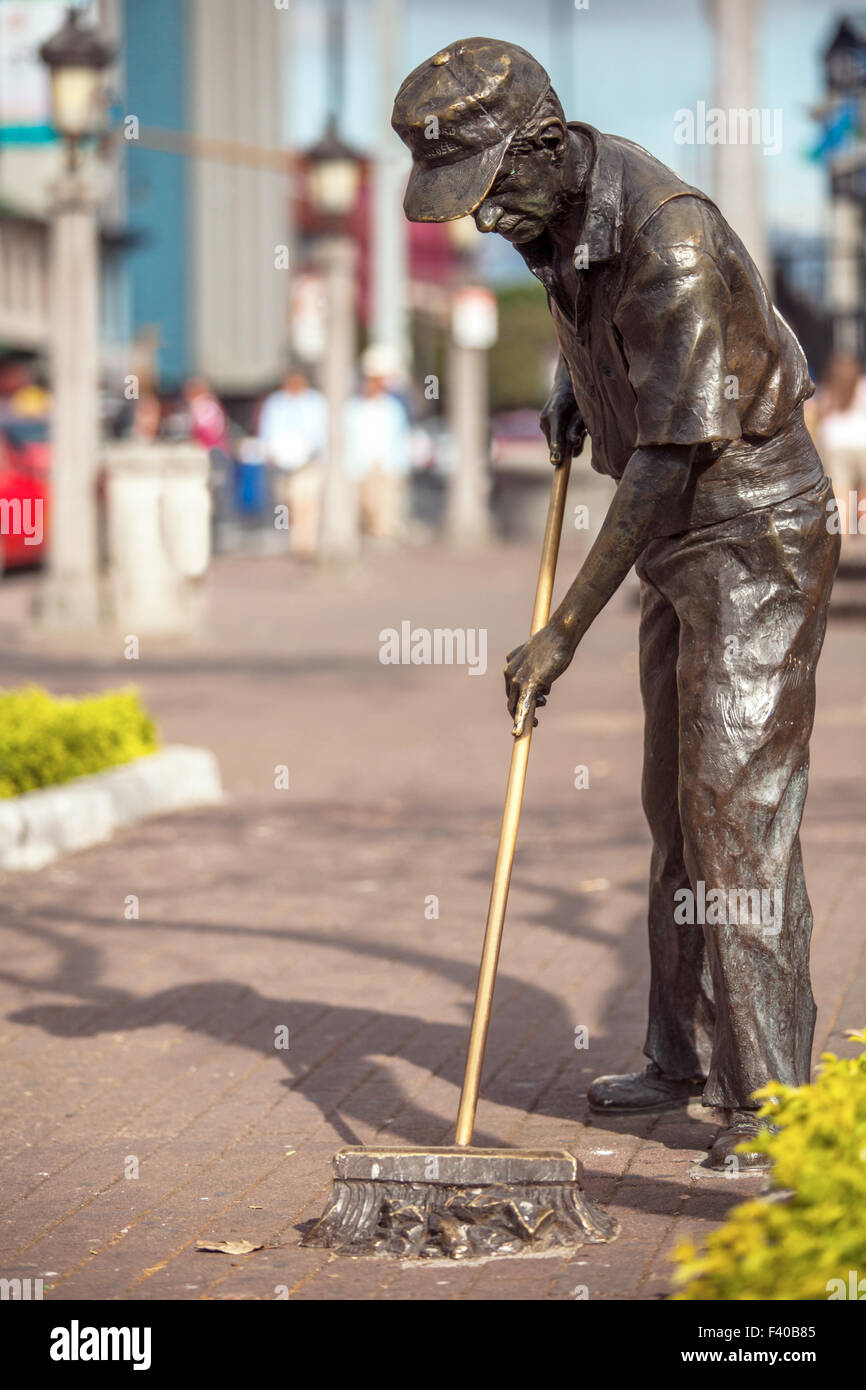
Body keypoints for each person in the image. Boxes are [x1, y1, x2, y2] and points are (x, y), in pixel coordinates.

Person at [393, 38, 840, 1169]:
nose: (484, 221)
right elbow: (619, 345)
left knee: (734, 809)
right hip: (681, 533)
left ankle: (776, 1110)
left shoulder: (667, 234)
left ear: (543, 145)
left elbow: (663, 462)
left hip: (751, 533)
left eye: (490, 192)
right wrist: (577, 383)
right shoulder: (556, 212)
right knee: (672, 806)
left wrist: (560, 630)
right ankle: (679, 1053)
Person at [345, 345, 412, 540]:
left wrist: (399, 467)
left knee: (384, 519)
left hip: (386, 468)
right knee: (360, 514)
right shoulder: (352, 408)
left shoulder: (394, 408)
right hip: (357, 468)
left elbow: (400, 438)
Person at [258, 368, 326, 557]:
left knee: (307, 502)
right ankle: (285, 537)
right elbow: (267, 431)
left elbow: (321, 433)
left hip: (308, 463)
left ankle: (305, 543)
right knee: (284, 504)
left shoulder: (316, 402)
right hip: (283, 465)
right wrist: (270, 452)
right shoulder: (276, 403)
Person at [814, 352, 866, 538]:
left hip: (835, 447)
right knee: (863, 496)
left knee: (842, 497)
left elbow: (817, 417)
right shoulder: (862, 386)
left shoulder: (828, 389)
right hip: (862, 444)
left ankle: (844, 541)